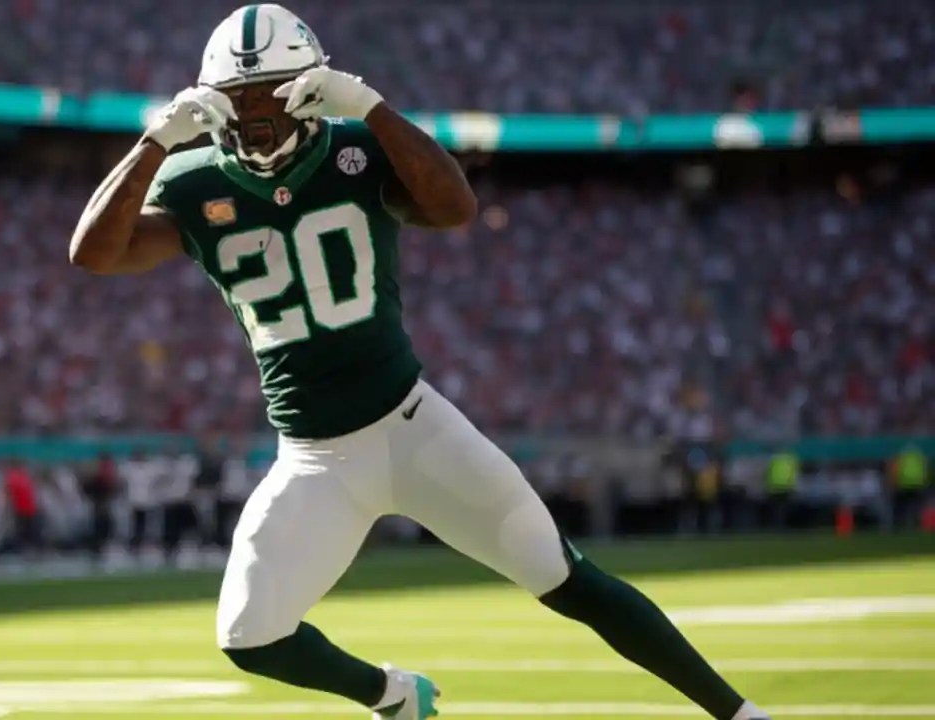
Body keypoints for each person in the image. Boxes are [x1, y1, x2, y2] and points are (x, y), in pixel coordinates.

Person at [68, 5, 771, 720]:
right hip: (314, 460)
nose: (252, 115)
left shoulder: (357, 148)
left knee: (566, 578)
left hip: (414, 429)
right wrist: (154, 141)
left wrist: (372, 108)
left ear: (307, 89)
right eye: (236, 98)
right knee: (249, 635)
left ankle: (741, 715)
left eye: (267, 94)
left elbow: (455, 207)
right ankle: (392, 695)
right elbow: (92, 253)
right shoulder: (194, 181)